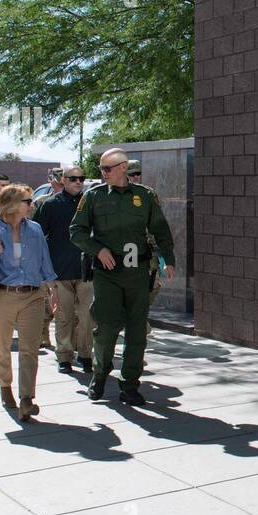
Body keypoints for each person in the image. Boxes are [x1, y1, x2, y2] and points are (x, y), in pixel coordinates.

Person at [70, 147, 175, 405]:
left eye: (107, 168)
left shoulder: (145, 196)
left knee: (137, 330)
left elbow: (161, 230)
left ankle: (130, 384)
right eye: (101, 169)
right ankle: (100, 374)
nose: (102, 173)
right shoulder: (93, 197)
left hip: (138, 273)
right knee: (106, 328)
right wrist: (99, 249)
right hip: (108, 274)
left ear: (123, 167)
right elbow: (77, 231)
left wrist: (168, 260)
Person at [0, 183, 58, 421]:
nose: (31, 205)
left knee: (30, 349)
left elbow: (44, 259)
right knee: (2, 346)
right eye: (27, 201)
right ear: (10, 205)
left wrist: (52, 287)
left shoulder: (36, 229)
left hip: (32, 295)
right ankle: (5, 387)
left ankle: (27, 398)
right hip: (2, 296)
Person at [35, 165, 93, 374]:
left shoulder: (90, 203)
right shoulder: (49, 205)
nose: (78, 182)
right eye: (73, 178)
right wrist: (44, 271)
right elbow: (38, 237)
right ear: (63, 180)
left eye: (81, 178)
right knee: (64, 317)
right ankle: (64, 357)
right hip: (60, 272)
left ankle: (86, 355)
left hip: (87, 270)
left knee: (87, 317)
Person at [126, 158, 163, 334]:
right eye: (131, 174)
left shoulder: (148, 193)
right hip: (125, 249)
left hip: (147, 248)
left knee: (153, 285)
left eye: (138, 174)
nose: (135, 177)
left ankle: (138, 316)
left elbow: (156, 221)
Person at [34, 168, 64, 348]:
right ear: (51, 181)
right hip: (48, 259)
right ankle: (43, 333)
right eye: (59, 182)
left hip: (69, 259)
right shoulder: (41, 203)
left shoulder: (80, 201)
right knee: (46, 300)